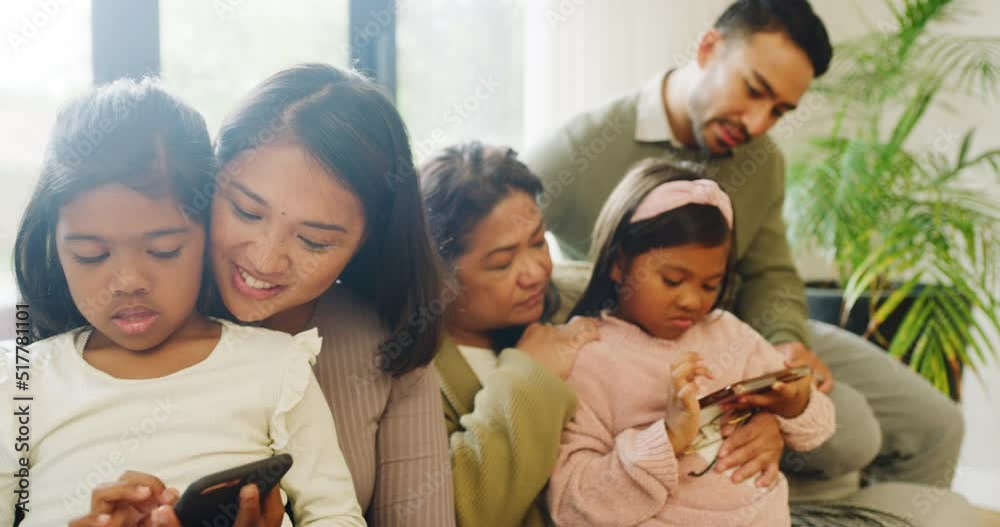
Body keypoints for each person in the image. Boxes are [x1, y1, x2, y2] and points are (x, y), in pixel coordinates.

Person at [522, 0, 963, 494]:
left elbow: (771, 272)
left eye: (779, 110)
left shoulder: (761, 159)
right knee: (855, 432)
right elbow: (495, 242)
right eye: (754, 90)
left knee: (938, 426)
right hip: (673, 352)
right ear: (709, 48)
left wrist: (786, 341)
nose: (756, 123)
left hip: (751, 336)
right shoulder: (584, 143)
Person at [1, 79, 364, 526]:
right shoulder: (22, 378)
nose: (129, 281)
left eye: (164, 251)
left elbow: (337, 517)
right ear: (54, 247)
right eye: (90, 255)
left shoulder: (276, 367)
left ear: (208, 231)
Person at [203, 63, 456, 526]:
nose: (266, 259)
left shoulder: (389, 343)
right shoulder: (144, 317)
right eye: (245, 210)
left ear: (366, 242)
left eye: (315, 241)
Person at [546, 158, 835, 526]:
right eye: (671, 280)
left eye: (709, 285)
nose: (692, 301)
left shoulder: (728, 332)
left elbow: (818, 429)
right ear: (619, 263)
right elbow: (573, 506)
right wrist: (667, 437)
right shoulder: (588, 356)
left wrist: (796, 404)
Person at [419, 142, 603, 526]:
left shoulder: (586, 298)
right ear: (439, 276)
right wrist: (528, 375)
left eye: (538, 242)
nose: (536, 271)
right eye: (503, 263)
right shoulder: (410, 372)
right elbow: (457, 510)